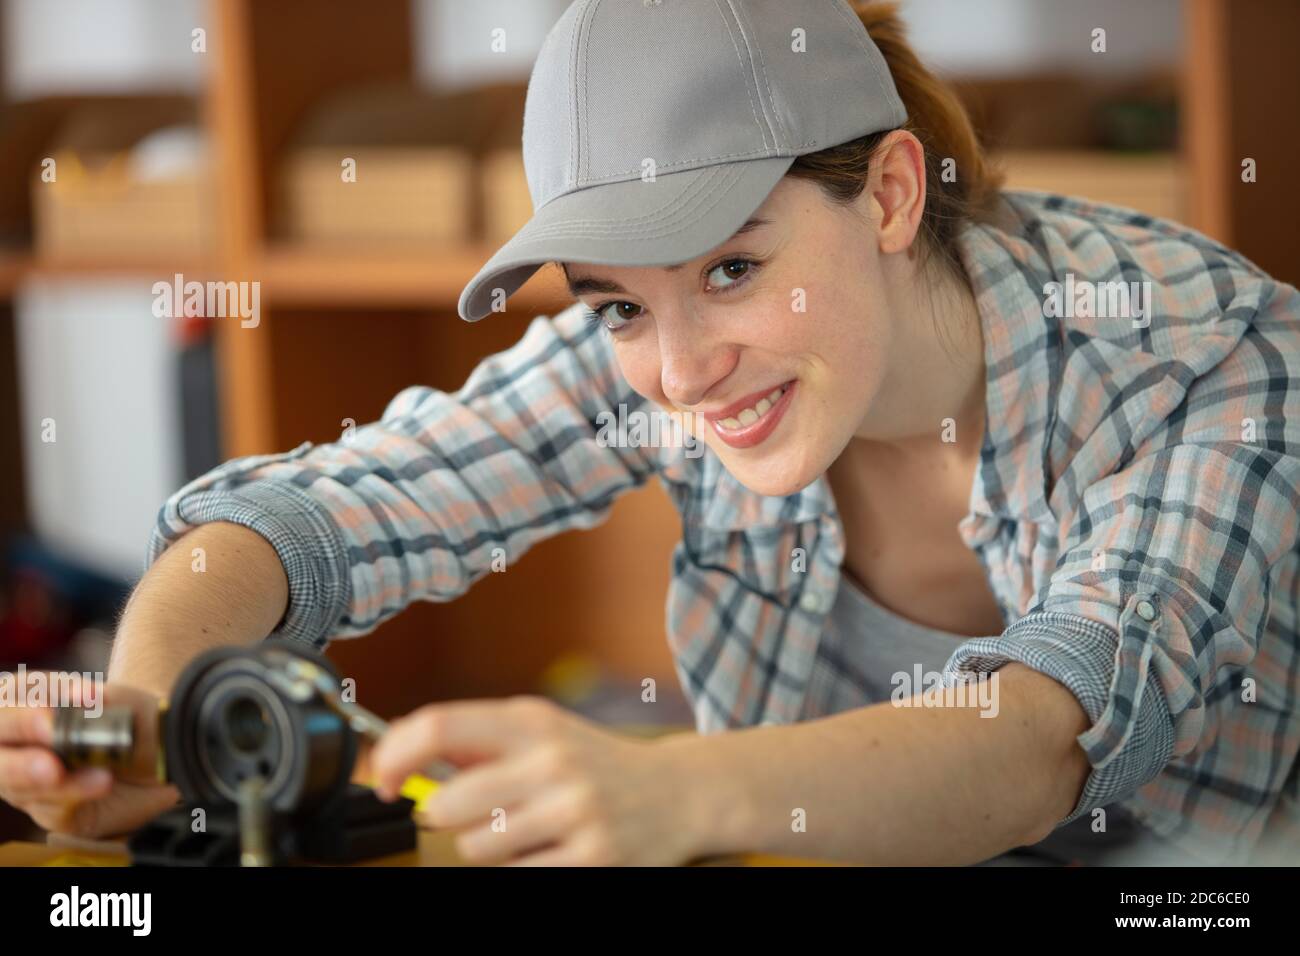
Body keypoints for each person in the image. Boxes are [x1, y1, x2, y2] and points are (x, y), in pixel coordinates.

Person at [2, 0, 1297, 866]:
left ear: (892, 194)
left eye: (734, 269)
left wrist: (669, 788)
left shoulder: (1210, 366)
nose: (677, 372)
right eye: (620, 300)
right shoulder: (665, 352)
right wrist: (150, 709)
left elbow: (1038, 742)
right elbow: (318, 512)